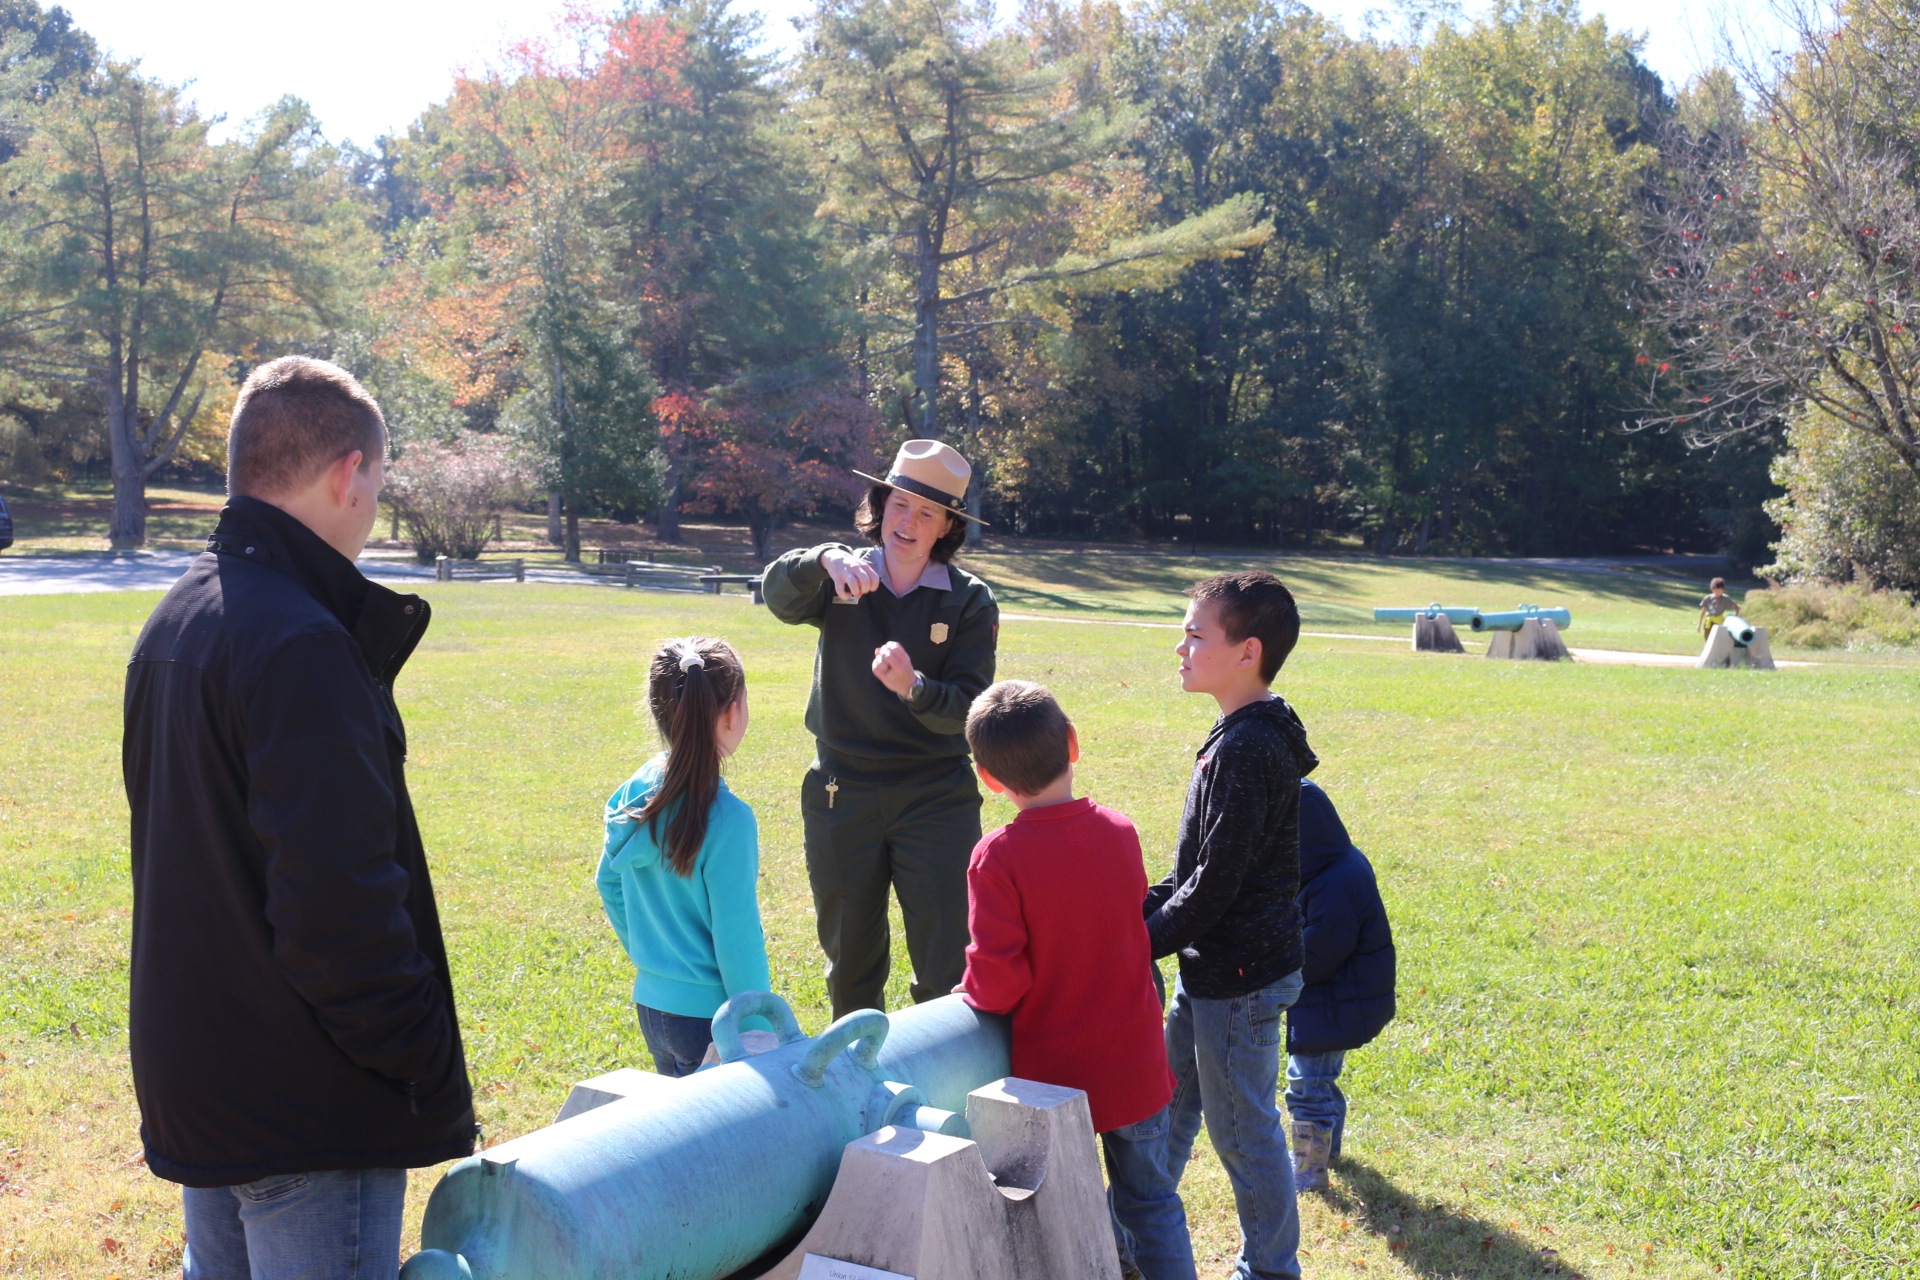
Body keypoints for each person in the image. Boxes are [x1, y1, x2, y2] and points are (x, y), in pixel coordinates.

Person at [123, 357, 473, 1280]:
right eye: (379, 488)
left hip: (207, 1075)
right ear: (347, 473)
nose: (372, 512)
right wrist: (417, 1056)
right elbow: (339, 906)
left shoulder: (175, 620)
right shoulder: (303, 643)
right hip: (307, 1101)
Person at [959, 680, 1194, 1280]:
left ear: (988, 779)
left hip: (1057, 1079)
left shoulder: (997, 857)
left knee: (1067, 1209)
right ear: (1073, 743)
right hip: (1135, 1061)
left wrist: (972, 993)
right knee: (1153, 1202)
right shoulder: (1120, 830)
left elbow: (998, 978)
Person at [761, 440, 998, 1018]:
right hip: (841, 791)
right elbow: (775, 594)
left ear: (946, 527)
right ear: (880, 504)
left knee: (946, 962)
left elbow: (971, 707)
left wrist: (913, 687)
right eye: (899, 504)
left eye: (926, 513)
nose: (908, 522)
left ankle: (945, 1088)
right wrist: (822, 559)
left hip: (935, 795)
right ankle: (852, 1088)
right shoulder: (844, 574)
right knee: (850, 958)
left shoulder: (970, 602)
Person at [1148, 570, 1317, 1280]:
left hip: (1238, 982)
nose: (1180, 646)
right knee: (1168, 1114)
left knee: (1246, 1137)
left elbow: (1214, 886)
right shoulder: (1240, 733)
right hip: (1212, 971)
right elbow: (1197, 871)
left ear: (1248, 651)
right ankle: (1133, 1237)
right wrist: (1137, 910)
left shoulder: (1250, 749)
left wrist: (1136, 942)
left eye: (1196, 634)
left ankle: (1271, 1271)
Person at [598, 636, 772, 1077]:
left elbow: (609, 882)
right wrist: (757, 1029)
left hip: (653, 1007)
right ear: (733, 712)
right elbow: (738, 940)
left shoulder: (635, 790)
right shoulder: (730, 819)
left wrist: (653, 959)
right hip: (714, 1022)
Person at [1284, 779, 1396, 1192]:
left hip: (1334, 1001)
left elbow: (1322, 951)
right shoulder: (1331, 863)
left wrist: (1279, 967)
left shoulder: (1334, 881)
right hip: (1341, 998)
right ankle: (1328, 1151)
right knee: (1321, 1079)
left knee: (1307, 1084)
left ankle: (1308, 1170)